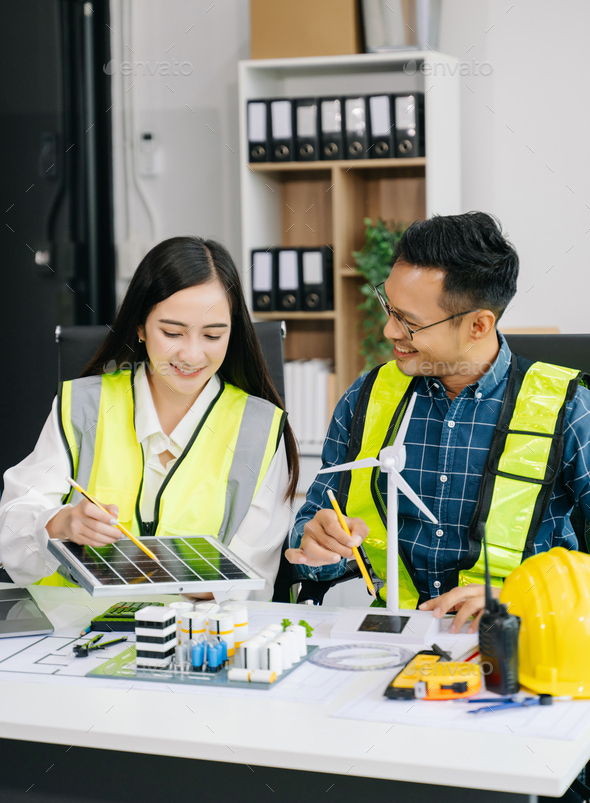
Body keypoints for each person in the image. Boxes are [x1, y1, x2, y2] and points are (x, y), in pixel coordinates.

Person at [286, 212, 590, 631]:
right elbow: (314, 524)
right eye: (389, 309)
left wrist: (523, 596)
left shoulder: (570, 411)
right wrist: (317, 545)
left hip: (526, 641)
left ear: (479, 325)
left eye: (409, 322)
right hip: (394, 641)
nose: (389, 330)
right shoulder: (367, 396)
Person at [0, 236, 298, 600]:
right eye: (172, 333)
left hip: (197, 641)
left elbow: (254, 581)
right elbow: (11, 532)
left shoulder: (261, 430)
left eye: (213, 335)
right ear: (140, 327)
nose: (191, 354)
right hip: (75, 637)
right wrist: (60, 523)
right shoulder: (83, 407)